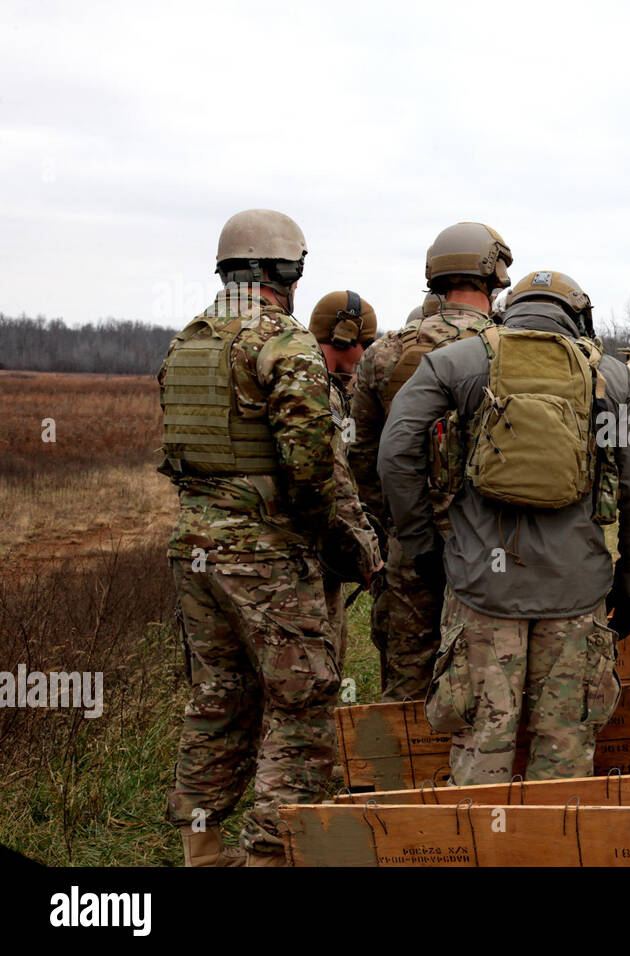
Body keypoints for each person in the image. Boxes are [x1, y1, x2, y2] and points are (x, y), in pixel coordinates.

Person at [378, 269, 630, 784]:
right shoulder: (615, 378)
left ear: (509, 310)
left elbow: (396, 453)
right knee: (564, 754)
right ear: (576, 316)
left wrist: (424, 547)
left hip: (480, 588)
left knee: (480, 748)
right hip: (576, 593)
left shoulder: (454, 362)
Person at [158, 209, 342, 866]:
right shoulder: (284, 341)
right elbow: (311, 464)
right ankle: (273, 853)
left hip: (194, 549)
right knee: (303, 699)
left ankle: (201, 850)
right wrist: (335, 542)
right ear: (281, 270)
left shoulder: (187, 341)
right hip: (265, 554)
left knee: (218, 694)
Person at [349, 223, 511, 702]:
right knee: (491, 682)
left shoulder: (384, 353)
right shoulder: (511, 348)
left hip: (411, 543)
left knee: (408, 681)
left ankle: (405, 771)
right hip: (493, 543)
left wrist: (395, 525)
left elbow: (364, 456)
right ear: (495, 276)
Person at [306, 291, 384, 669]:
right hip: (301, 559)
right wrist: (366, 554)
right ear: (343, 336)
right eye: (366, 344)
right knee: (318, 672)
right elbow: (333, 478)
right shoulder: (316, 389)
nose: (367, 355)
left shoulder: (296, 373)